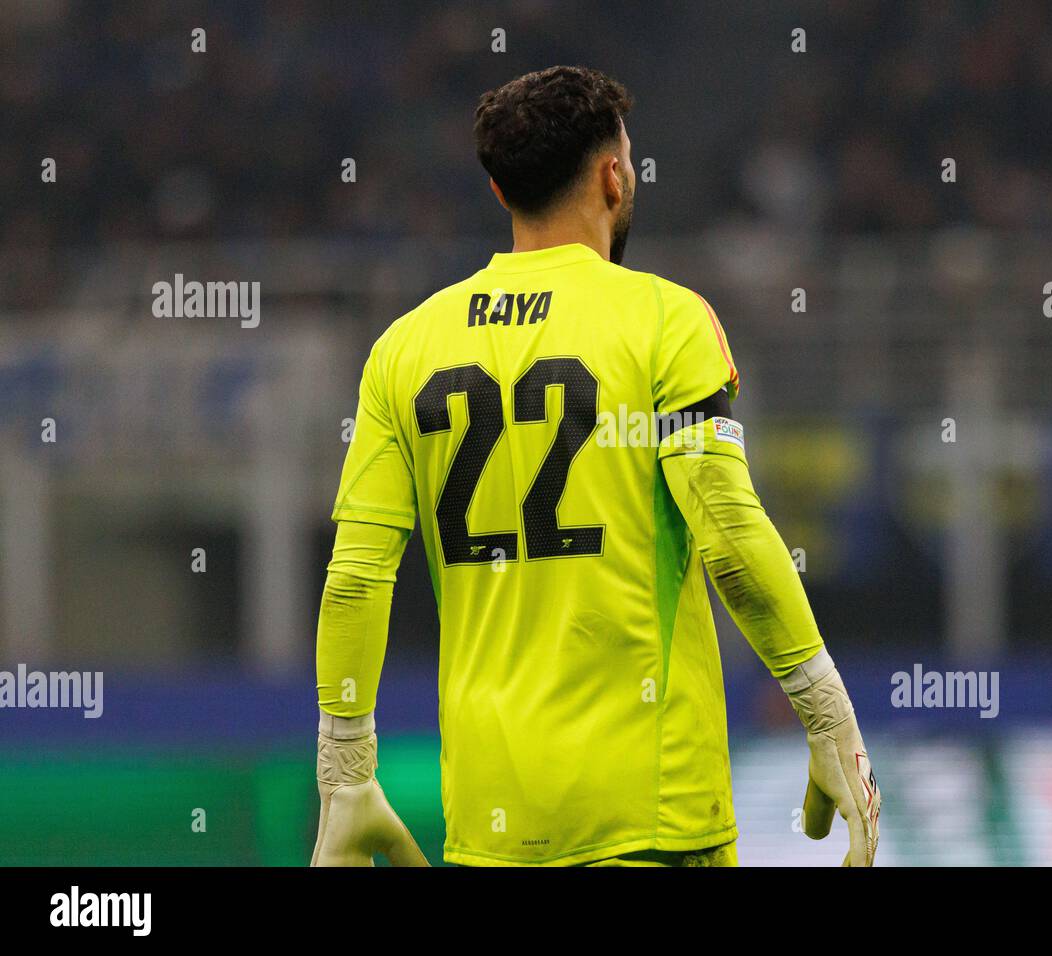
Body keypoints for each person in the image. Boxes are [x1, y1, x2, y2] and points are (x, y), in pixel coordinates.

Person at [310, 65, 880, 868]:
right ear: (614, 176)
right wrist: (827, 716)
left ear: (503, 193)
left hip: (489, 821)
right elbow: (728, 535)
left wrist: (346, 776)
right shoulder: (664, 321)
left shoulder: (403, 350)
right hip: (651, 819)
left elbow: (355, 579)